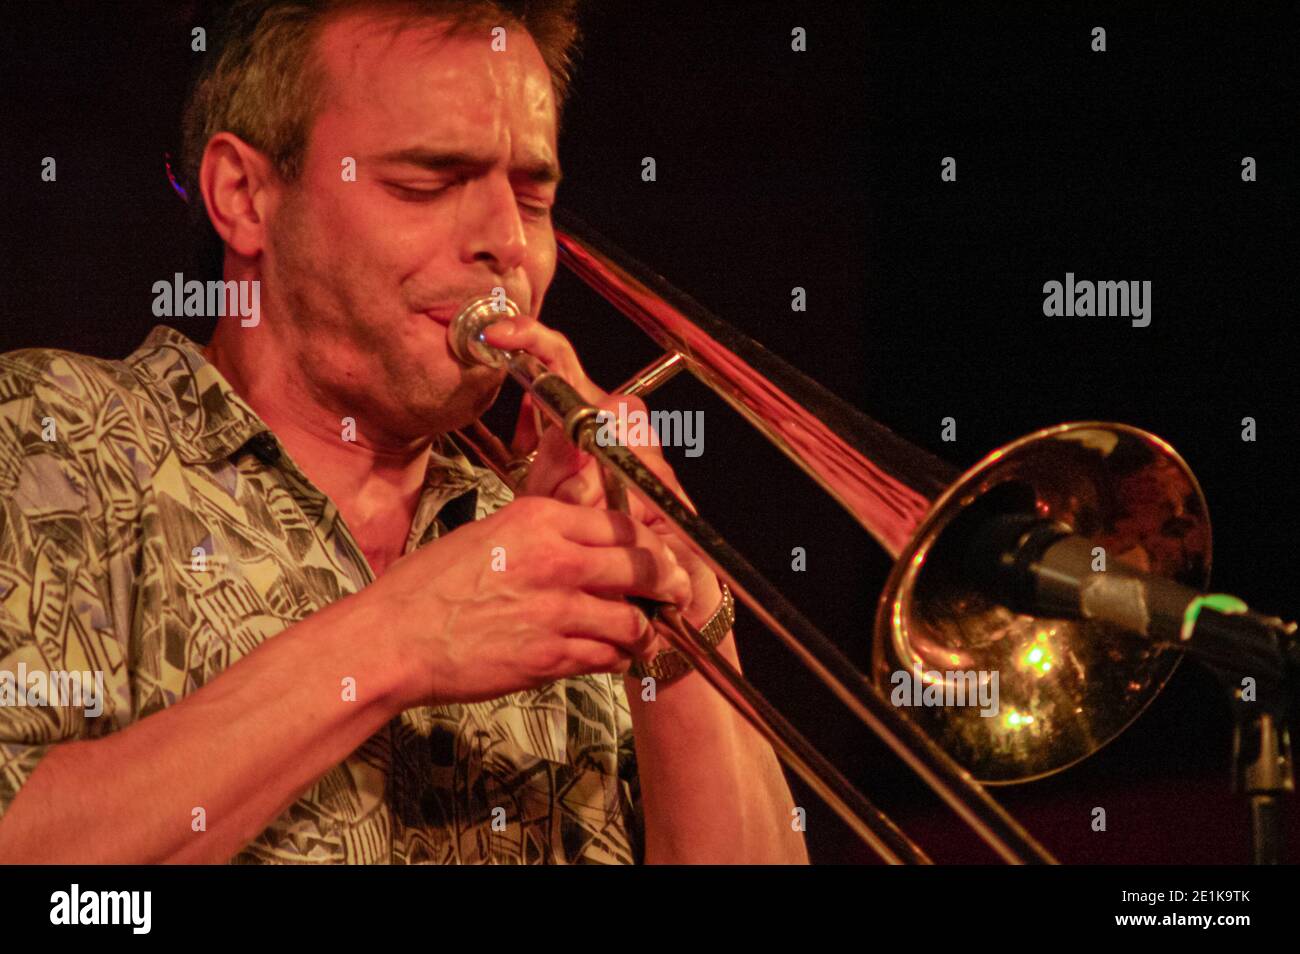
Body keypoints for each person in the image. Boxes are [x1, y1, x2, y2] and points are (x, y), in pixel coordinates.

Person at [0, 0, 807, 864]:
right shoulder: (55, 433)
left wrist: (680, 614)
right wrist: (402, 635)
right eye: (426, 182)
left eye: (532, 197)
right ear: (244, 196)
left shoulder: (548, 534)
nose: (508, 244)